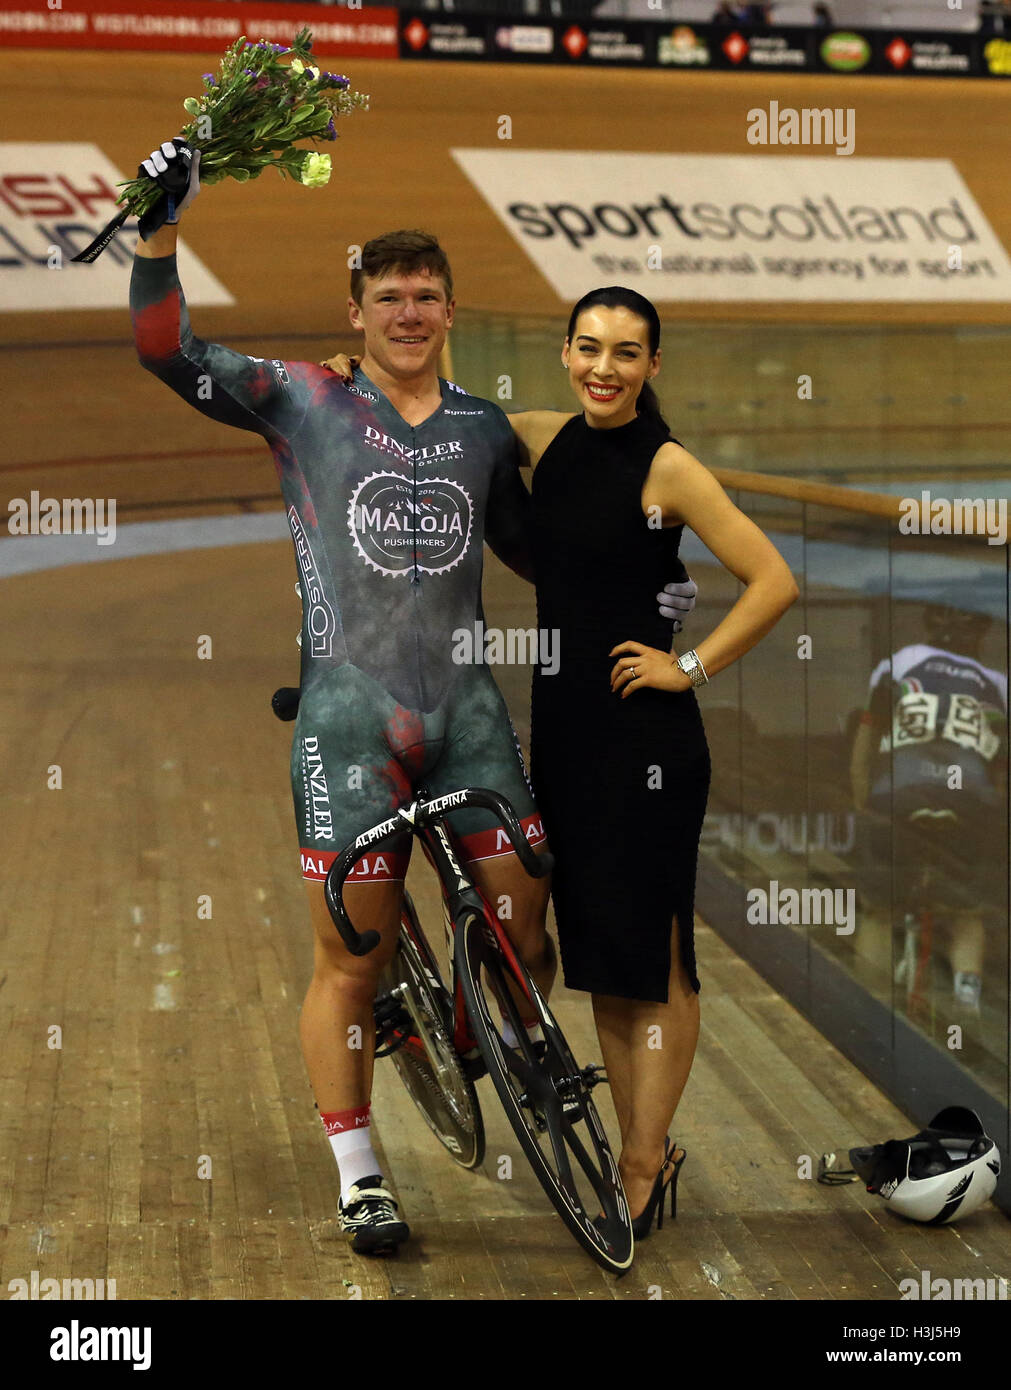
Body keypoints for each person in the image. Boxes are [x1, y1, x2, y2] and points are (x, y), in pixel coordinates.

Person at [129, 141, 696, 1257]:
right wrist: (159, 228)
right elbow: (165, 349)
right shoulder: (302, 400)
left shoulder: (486, 427)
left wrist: (659, 593)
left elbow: (550, 555)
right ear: (355, 310)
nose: (408, 312)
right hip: (351, 717)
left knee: (526, 924)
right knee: (351, 953)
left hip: (467, 718)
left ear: (450, 311)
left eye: (425, 296)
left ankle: (471, 1021)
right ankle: (362, 1174)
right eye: (387, 296)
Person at [325, 285, 797, 1236]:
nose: (603, 369)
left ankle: (640, 1161)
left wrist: (689, 665)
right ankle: (638, 1149)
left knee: (654, 961)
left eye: (626, 354)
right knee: (605, 963)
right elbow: (444, 404)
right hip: (570, 737)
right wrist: (352, 370)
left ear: (652, 367)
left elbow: (775, 577)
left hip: (645, 742)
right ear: (565, 352)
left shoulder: (668, 467)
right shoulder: (542, 435)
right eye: (588, 348)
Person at [850, 604, 1007, 1015]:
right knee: (966, 913)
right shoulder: (999, 685)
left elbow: (866, 743)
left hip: (899, 799)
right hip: (968, 806)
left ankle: (870, 1006)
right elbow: (1000, 774)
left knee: (878, 910)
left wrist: (863, 803)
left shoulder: (897, 665)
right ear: (981, 639)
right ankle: (967, 1003)